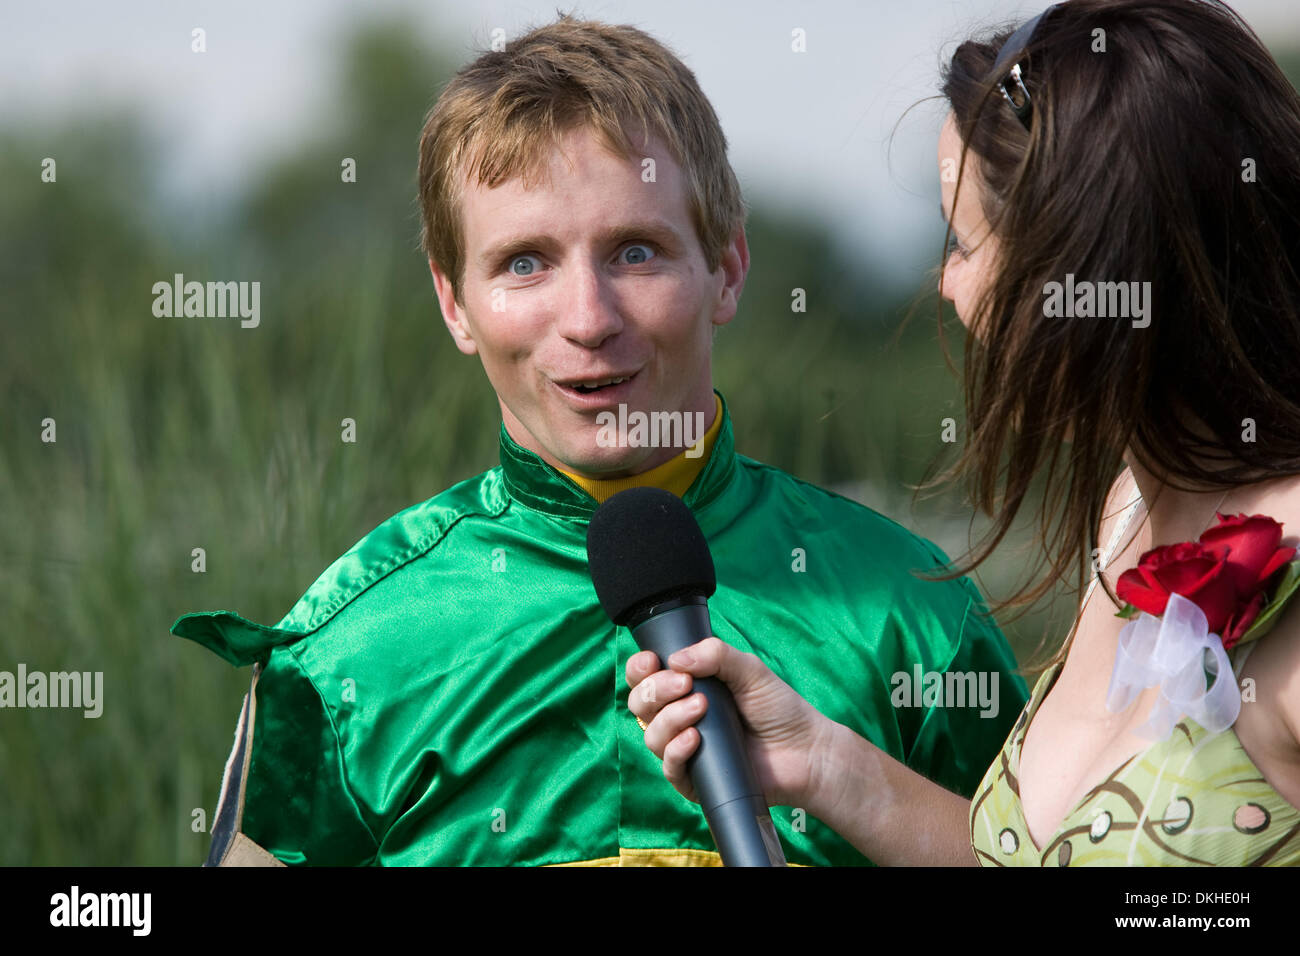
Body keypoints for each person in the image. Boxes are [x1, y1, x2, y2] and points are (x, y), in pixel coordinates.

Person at [170, 14, 1027, 866]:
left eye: (635, 253)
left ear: (726, 268)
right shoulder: (344, 652)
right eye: (523, 263)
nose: (587, 320)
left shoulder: (913, 616)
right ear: (452, 302)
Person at [627, 0, 1300, 867]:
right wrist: (824, 763)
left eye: (966, 244)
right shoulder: (1130, 509)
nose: (946, 286)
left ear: (1079, 269)